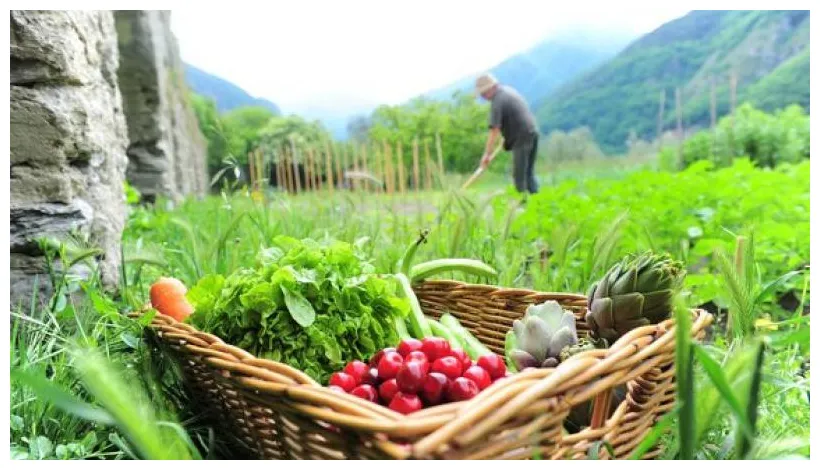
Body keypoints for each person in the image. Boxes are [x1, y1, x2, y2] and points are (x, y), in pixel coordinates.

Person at [475, 73, 540, 195]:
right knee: (528, 174)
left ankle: (525, 207)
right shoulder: (508, 91)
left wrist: (487, 154)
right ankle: (537, 205)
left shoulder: (497, 101)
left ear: (491, 88)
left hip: (522, 137)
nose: (483, 97)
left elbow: (494, 130)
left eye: (483, 93)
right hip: (532, 132)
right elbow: (513, 116)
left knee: (519, 177)